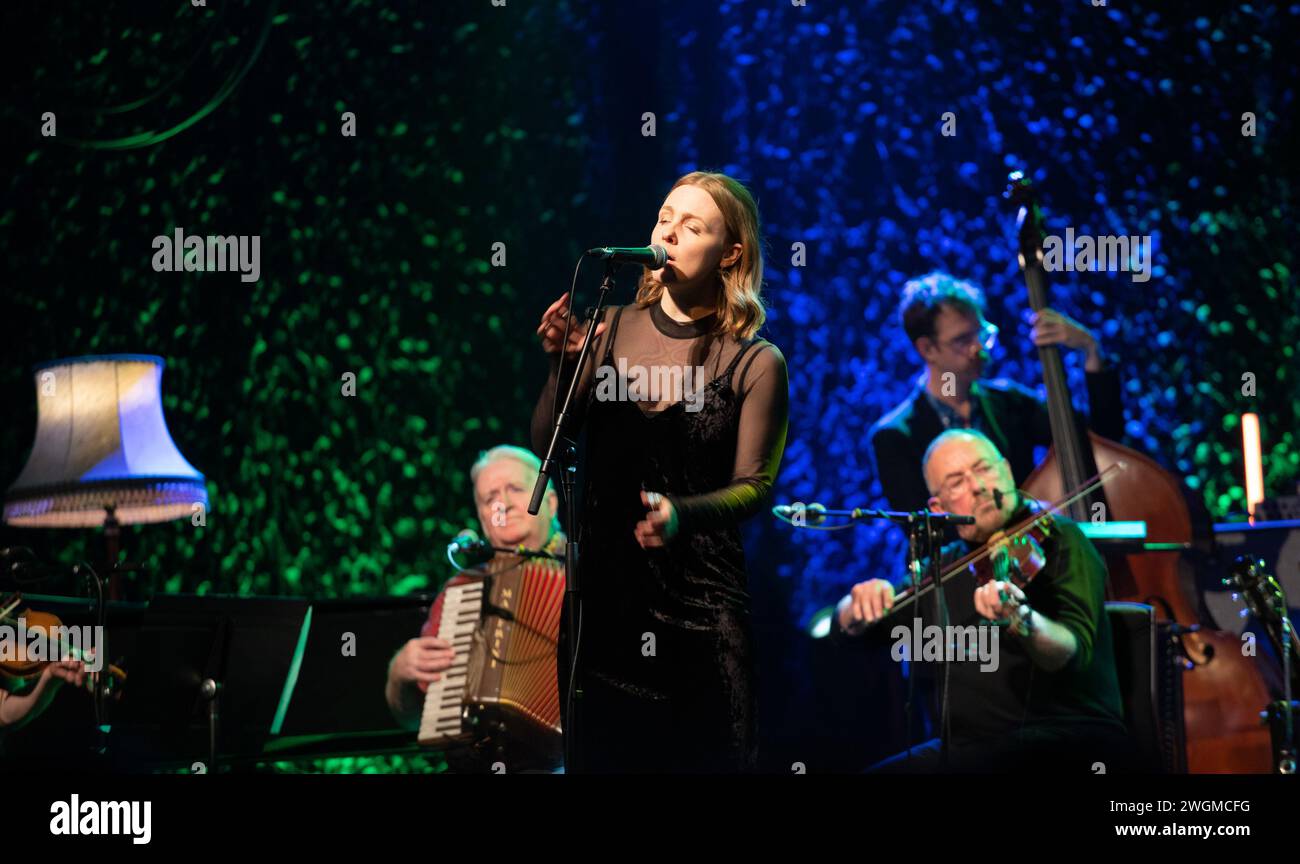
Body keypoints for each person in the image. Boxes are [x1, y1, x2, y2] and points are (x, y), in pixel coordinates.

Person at [531, 171, 788, 772]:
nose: (668, 234)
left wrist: (682, 514)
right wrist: (562, 367)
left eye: (692, 227)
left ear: (731, 253)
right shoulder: (608, 329)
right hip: (604, 618)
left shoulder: (755, 361)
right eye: (665, 217)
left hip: (702, 618)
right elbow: (548, 445)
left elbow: (756, 485)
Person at [834, 429, 1136, 772]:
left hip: (1066, 738)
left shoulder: (1059, 539)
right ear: (938, 508)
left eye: (984, 469)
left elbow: (1070, 653)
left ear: (1006, 471)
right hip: (970, 747)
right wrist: (854, 608)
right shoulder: (941, 569)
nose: (977, 486)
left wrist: (1022, 619)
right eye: (956, 483)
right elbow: (856, 633)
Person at [870, 271, 1124, 514]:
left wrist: (1091, 351)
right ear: (927, 349)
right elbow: (927, 531)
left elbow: (1101, 438)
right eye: (962, 340)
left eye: (981, 334)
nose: (979, 348)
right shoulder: (896, 437)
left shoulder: (1010, 403)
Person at [385, 445, 565, 732]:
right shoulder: (463, 588)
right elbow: (414, 720)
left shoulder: (588, 573)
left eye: (516, 489)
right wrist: (399, 676)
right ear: (482, 520)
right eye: (490, 498)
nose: (503, 504)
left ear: (551, 503)